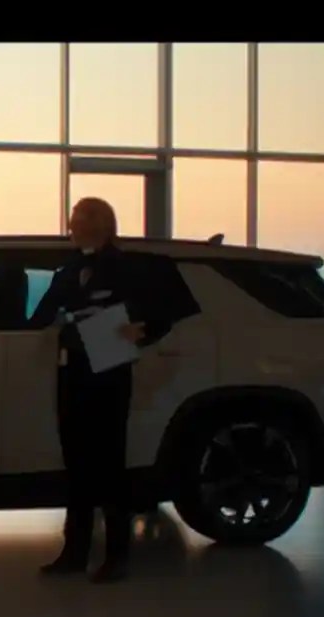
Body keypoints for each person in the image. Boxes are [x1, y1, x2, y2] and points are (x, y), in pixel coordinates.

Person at [30, 197, 197, 584]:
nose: (71, 228)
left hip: (109, 371)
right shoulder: (69, 269)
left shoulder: (128, 267)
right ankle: (74, 551)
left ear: (103, 225)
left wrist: (144, 331)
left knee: (108, 463)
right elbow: (42, 315)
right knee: (76, 462)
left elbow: (168, 309)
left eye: (78, 222)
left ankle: (116, 556)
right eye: (71, 221)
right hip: (71, 370)